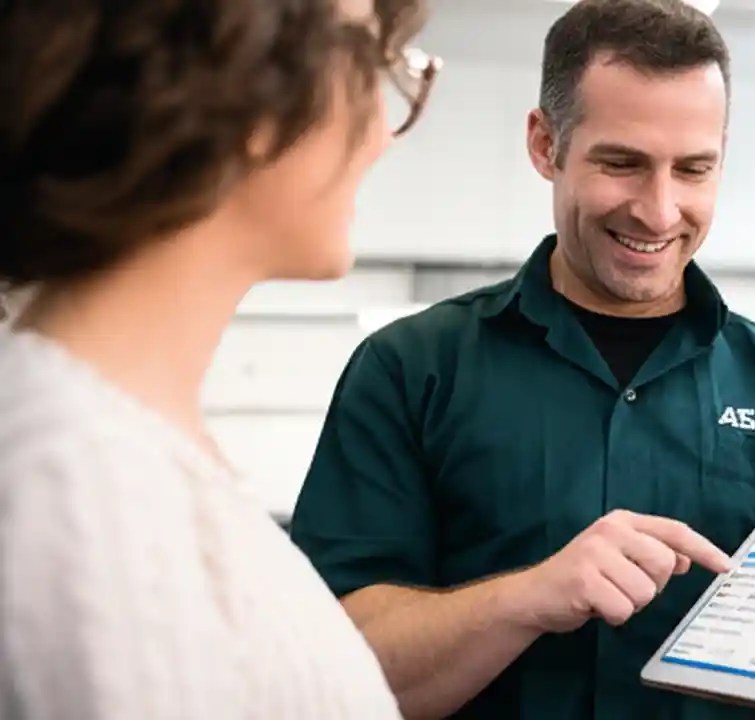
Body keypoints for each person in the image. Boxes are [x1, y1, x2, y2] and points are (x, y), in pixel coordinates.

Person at [290, 1, 755, 718]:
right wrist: (524, 599)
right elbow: (332, 665)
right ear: (544, 144)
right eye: (621, 164)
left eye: (693, 169)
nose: (658, 211)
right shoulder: (411, 369)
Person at [0, 0, 439, 717]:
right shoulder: (82, 495)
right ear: (241, 86)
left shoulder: (118, 453)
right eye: (367, 64)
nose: (381, 137)